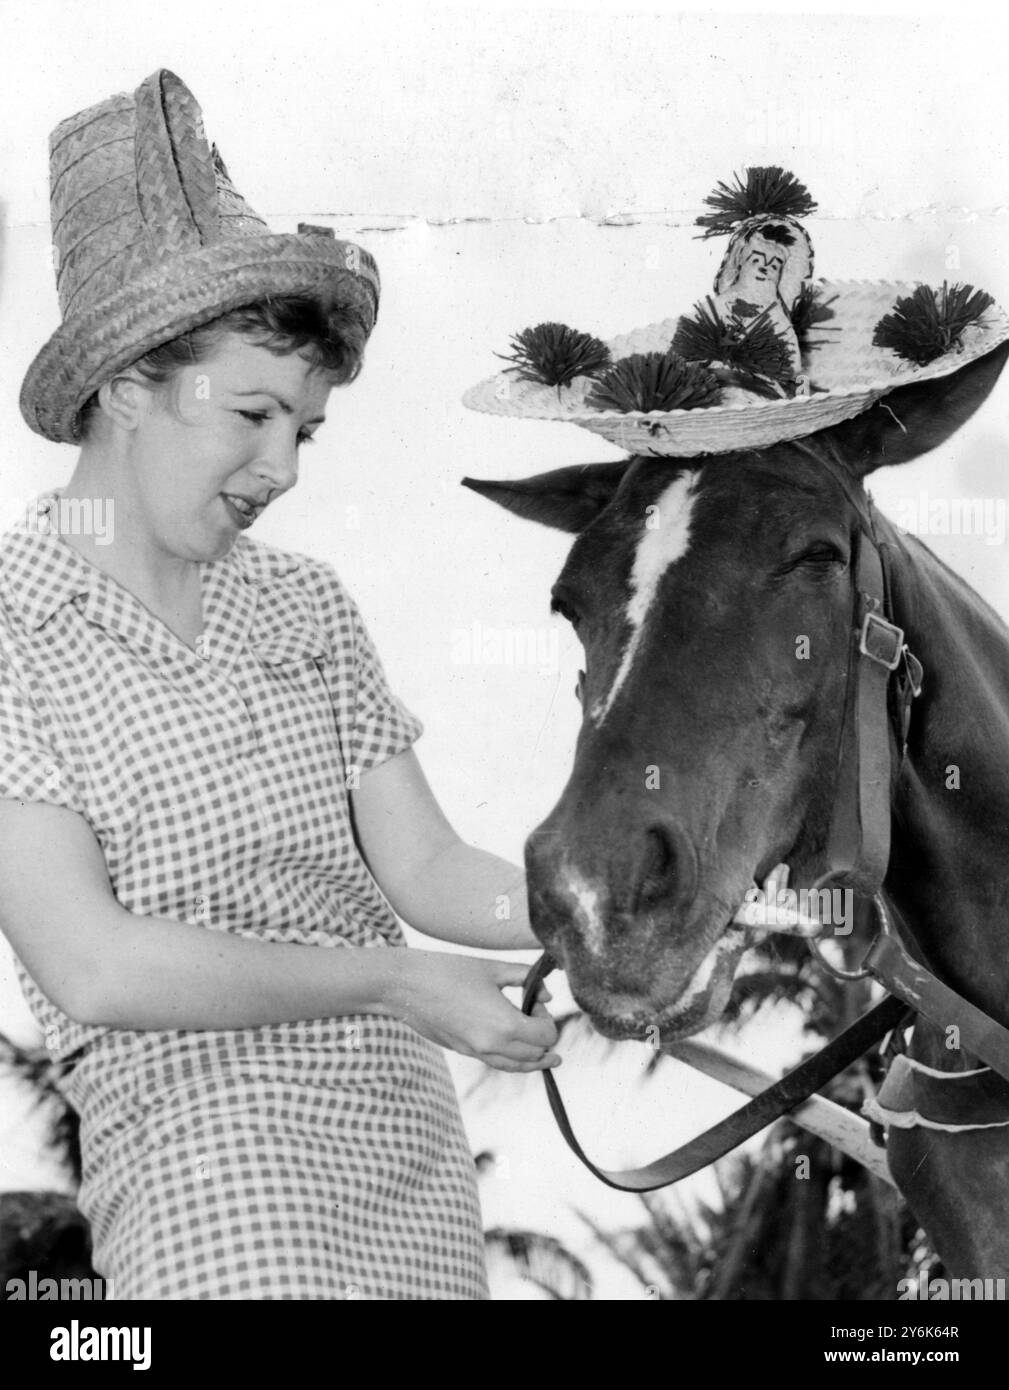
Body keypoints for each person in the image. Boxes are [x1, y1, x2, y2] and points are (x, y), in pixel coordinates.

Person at [0, 69, 558, 1301]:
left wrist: (623, 907)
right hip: (205, 1169)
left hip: (408, 1168)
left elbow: (429, 870)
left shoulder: (304, 606)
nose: (283, 467)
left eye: (302, 430)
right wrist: (396, 978)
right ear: (128, 385)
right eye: (250, 414)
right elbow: (94, 965)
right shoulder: (12, 630)